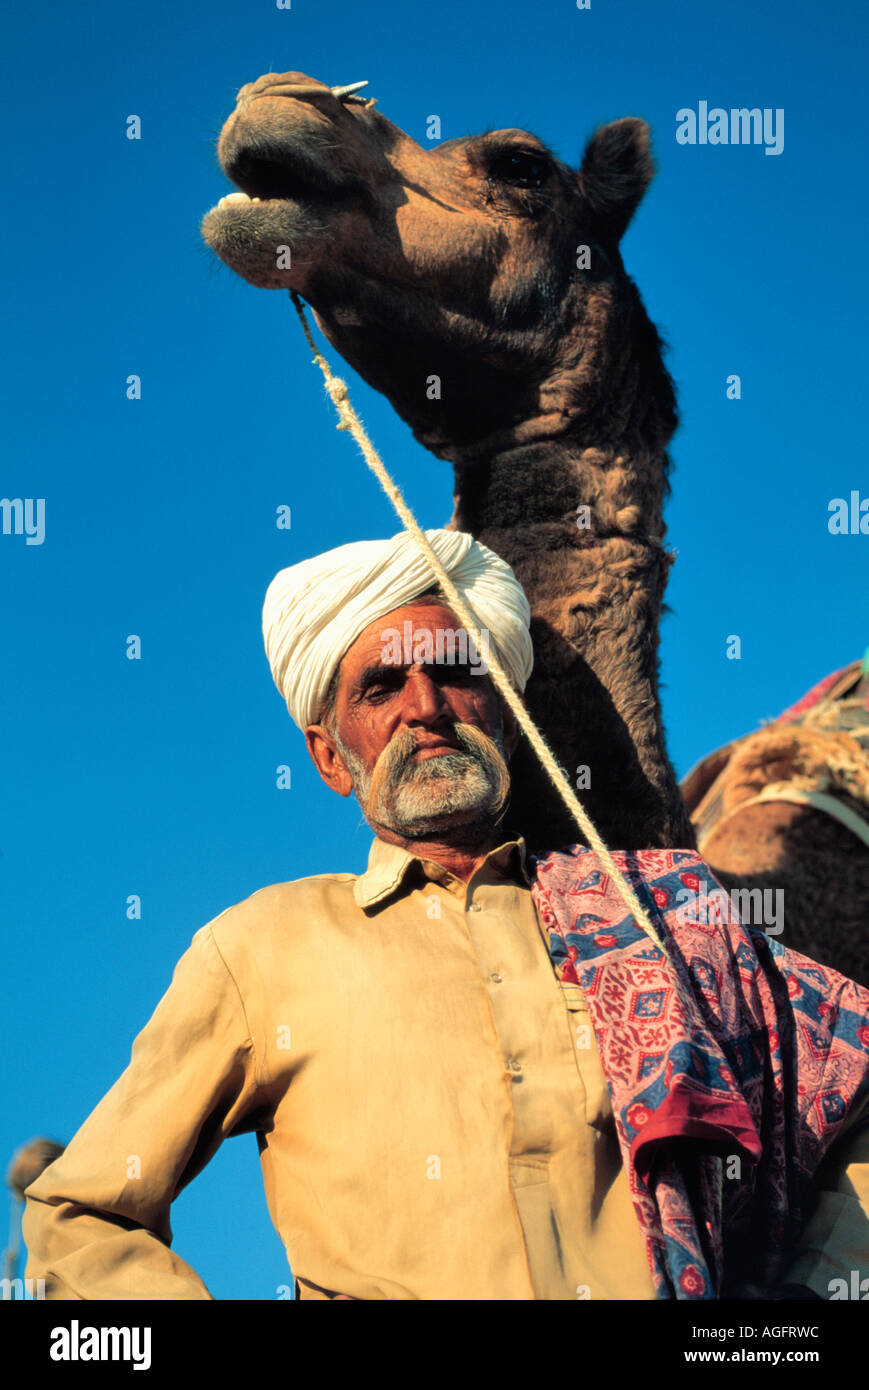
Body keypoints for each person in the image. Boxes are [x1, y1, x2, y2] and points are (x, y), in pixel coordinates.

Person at [23, 529, 869, 1300]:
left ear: (500, 713)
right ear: (329, 756)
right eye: (382, 685)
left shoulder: (662, 918)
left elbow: (855, 1080)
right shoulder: (261, 948)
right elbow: (80, 1211)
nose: (425, 706)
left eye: (456, 673)